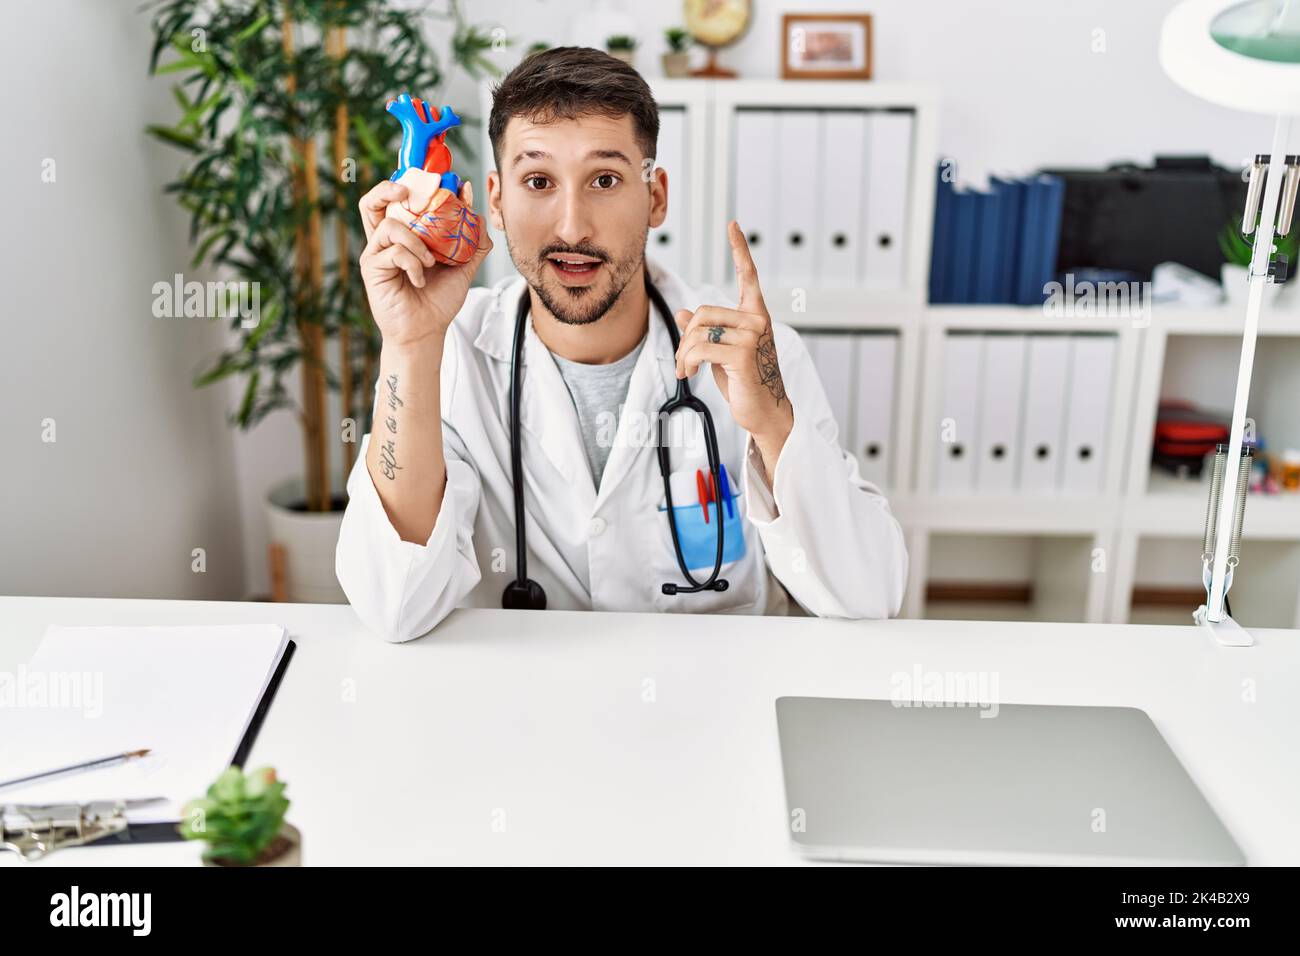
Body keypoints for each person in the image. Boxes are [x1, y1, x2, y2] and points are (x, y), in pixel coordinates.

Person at [335, 46, 907, 642]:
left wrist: (773, 429)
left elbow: (870, 596)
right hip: (521, 715)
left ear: (655, 196)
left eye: (604, 180)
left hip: (714, 710)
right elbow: (394, 606)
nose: (572, 226)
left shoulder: (758, 355)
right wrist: (408, 343)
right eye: (538, 181)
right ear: (497, 200)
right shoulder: (445, 354)